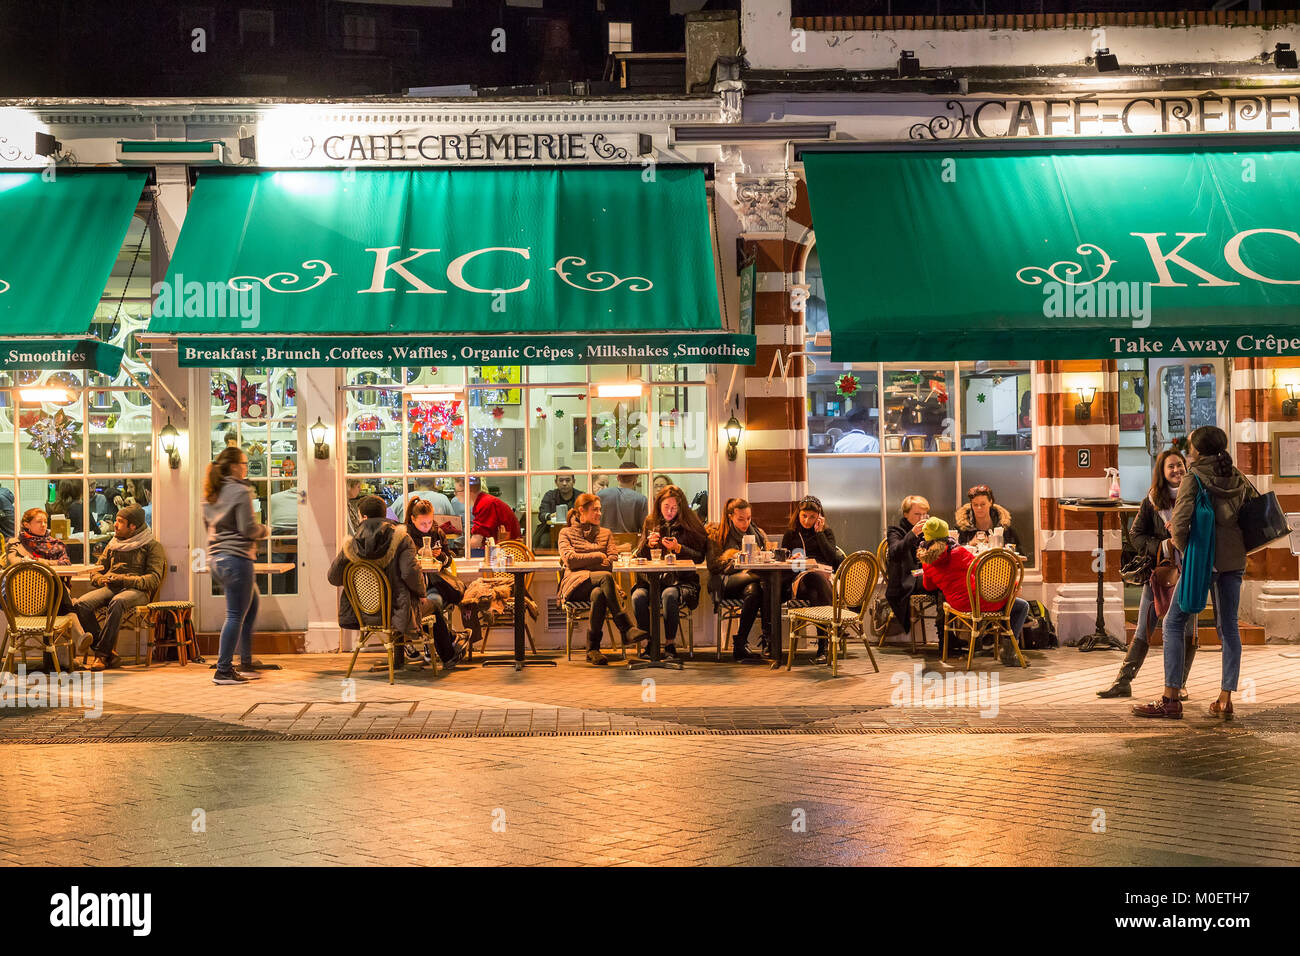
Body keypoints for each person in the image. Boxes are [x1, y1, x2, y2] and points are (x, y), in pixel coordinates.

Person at [1134, 426, 1256, 720]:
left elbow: (1180, 523)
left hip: (1202, 561)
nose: (1188, 451)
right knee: (1229, 628)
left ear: (1199, 450)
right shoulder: (1236, 475)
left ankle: (1171, 698)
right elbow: (1252, 514)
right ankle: (1225, 698)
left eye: (1191, 446)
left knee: (1173, 623)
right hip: (1233, 561)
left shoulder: (1194, 476)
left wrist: (1189, 553)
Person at [1099, 450, 1198, 699]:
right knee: (1144, 628)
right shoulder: (1153, 500)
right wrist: (1165, 544)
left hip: (1189, 574)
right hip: (1159, 575)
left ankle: (1180, 684)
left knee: (1187, 631)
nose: (1177, 470)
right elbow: (1136, 535)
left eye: (1180, 465)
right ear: (1162, 473)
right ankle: (1123, 681)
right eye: (1171, 467)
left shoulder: (1197, 498)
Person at [328, 494, 430, 671]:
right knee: (435, 602)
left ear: (363, 517)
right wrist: (421, 593)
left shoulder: (350, 545)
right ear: (385, 514)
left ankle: (399, 661)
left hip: (364, 612)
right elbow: (410, 573)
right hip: (399, 610)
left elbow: (333, 578)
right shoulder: (402, 539)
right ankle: (443, 654)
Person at [919, 517, 1029, 665]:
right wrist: (1013, 585)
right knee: (1021, 606)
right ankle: (1009, 651)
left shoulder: (927, 561)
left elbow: (929, 587)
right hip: (981, 600)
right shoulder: (959, 552)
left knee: (972, 610)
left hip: (958, 606)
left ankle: (978, 645)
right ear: (947, 535)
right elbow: (983, 571)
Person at [202, 446, 269, 685]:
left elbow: (208, 525)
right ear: (233, 466)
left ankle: (246, 661)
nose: (245, 467)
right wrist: (266, 530)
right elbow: (248, 528)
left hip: (218, 559)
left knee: (251, 605)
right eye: (243, 463)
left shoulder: (212, 492)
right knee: (234, 615)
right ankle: (223, 670)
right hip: (237, 559)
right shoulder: (240, 492)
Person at [75, 504, 166, 672]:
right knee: (81, 604)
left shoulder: (151, 546)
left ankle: (101, 656)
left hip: (137, 592)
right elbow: (97, 570)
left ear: (133, 526)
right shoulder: (113, 544)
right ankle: (110, 653)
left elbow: (153, 580)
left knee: (117, 602)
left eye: (120, 521)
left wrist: (124, 580)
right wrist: (100, 579)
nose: (114, 525)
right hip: (111, 586)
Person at [557, 493, 646, 665]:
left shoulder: (605, 533)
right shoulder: (565, 532)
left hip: (599, 586)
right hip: (575, 586)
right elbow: (570, 560)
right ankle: (626, 628)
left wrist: (584, 562)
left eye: (600, 510)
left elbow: (611, 562)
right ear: (581, 511)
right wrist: (598, 556)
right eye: (595, 510)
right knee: (604, 577)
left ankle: (593, 650)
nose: (599, 513)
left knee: (599, 593)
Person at [630, 484, 708, 662]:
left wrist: (678, 548)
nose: (670, 511)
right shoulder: (651, 522)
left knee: (669, 595)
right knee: (638, 597)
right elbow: (638, 554)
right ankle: (649, 643)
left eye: (673, 507)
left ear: (680, 508)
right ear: (659, 506)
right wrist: (648, 545)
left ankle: (670, 644)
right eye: (666, 507)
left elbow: (699, 557)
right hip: (651, 581)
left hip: (681, 582)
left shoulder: (690, 524)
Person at [8, 507, 84, 666]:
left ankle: (63, 659)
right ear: (26, 524)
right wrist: (48, 564)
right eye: (38, 522)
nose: (44, 525)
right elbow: (13, 562)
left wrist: (41, 562)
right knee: (58, 590)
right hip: (25, 598)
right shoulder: (17, 544)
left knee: (56, 591)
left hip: (51, 598)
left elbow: (66, 564)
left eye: (45, 522)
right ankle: (77, 641)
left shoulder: (56, 544)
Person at [706, 497, 772, 663]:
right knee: (764, 580)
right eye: (740, 519)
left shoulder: (756, 533)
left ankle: (740, 644)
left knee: (756, 590)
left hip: (749, 581)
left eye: (748, 518)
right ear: (730, 516)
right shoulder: (718, 534)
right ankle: (768, 637)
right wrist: (734, 557)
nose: (745, 523)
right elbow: (713, 566)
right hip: (724, 581)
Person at [780, 494, 843, 664]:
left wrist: (820, 533)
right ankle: (833, 626)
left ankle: (822, 650)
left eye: (812, 517)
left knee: (816, 595)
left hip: (822, 580)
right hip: (800, 580)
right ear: (798, 515)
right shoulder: (791, 534)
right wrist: (793, 559)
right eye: (804, 516)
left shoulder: (826, 532)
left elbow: (831, 557)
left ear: (819, 517)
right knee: (813, 578)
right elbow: (784, 562)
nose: (807, 521)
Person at [402, 498, 464, 668]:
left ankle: (436, 645)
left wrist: (442, 557)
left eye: (429, 522)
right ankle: (447, 644)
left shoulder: (438, 532)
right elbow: (404, 567)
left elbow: (449, 558)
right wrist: (417, 555)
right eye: (422, 523)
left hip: (434, 582)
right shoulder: (405, 536)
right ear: (413, 520)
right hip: (412, 587)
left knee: (435, 601)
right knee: (429, 605)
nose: (427, 527)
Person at [885, 495, 945, 642]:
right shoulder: (895, 531)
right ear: (906, 514)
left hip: (924, 574)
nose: (921, 518)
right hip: (908, 578)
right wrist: (913, 533)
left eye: (924, 514)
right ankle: (944, 636)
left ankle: (947, 633)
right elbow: (894, 552)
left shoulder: (928, 532)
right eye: (917, 514)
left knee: (948, 580)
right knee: (942, 582)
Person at [954, 484, 1021, 551]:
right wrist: (970, 545)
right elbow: (954, 554)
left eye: (983, 504)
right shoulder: (962, 528)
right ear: (971, 504)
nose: (979, 508)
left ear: (990, 502)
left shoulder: (1005, 527)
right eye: (975, 505)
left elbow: (1018, 553)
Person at [466, 476, 520, 552]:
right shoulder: (484, 501)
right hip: (502, 551)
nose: (456, 494)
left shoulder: (485, 503)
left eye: (458, 491)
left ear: (468, 490)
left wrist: (462, 553)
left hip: (507, 553)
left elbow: (476, 541)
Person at [534, 467, 580, 550]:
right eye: (561, 480)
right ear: (556, 482)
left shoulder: (580, 496)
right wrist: (550, 516)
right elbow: (541, 515)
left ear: (574, 481)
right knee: (544, 543)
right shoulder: (550, 495)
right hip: (550, 530)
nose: (564, 483)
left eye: (568, 480)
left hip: (575, 531)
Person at [597, 461, 647, 533]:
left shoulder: (601, 495)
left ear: (618, 477)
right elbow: (645, 528)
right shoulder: (641, 499)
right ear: (635, 480)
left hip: (603, 540)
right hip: (631, 542)